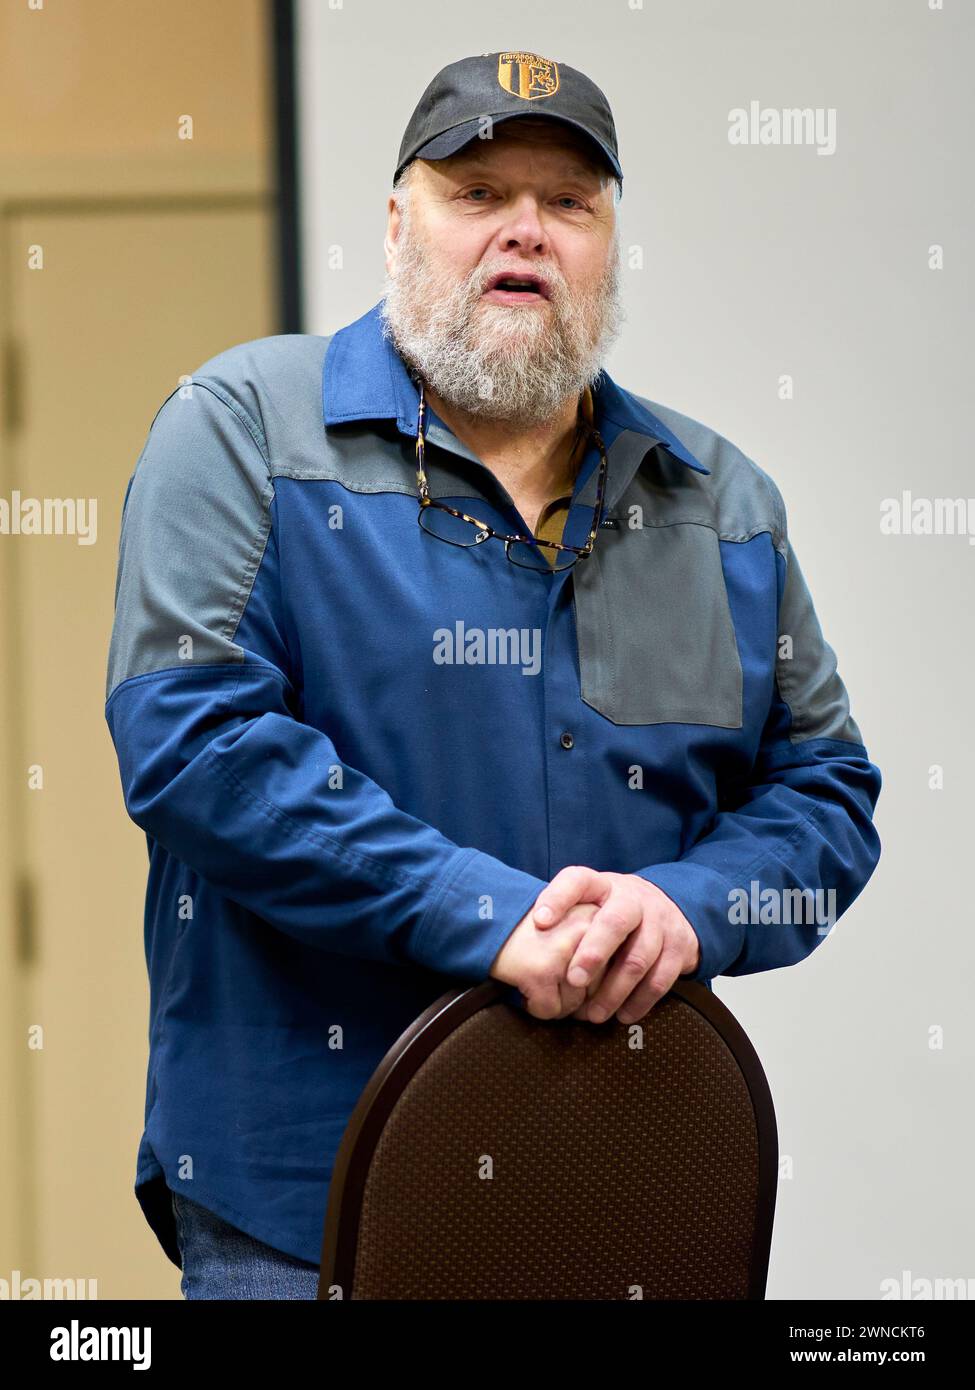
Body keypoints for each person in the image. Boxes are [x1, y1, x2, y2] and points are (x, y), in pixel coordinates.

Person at [104, 49, 882, 1300]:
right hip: (305, 1217)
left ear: (611, 243)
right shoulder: (243, 429)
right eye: (477, 193)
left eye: (568, 202)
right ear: (397, 220)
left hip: (629, 1196)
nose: (525, 231)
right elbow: (194, 742)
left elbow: (826, 793)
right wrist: (488, 915)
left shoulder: (723, 503)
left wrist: (689, 905)